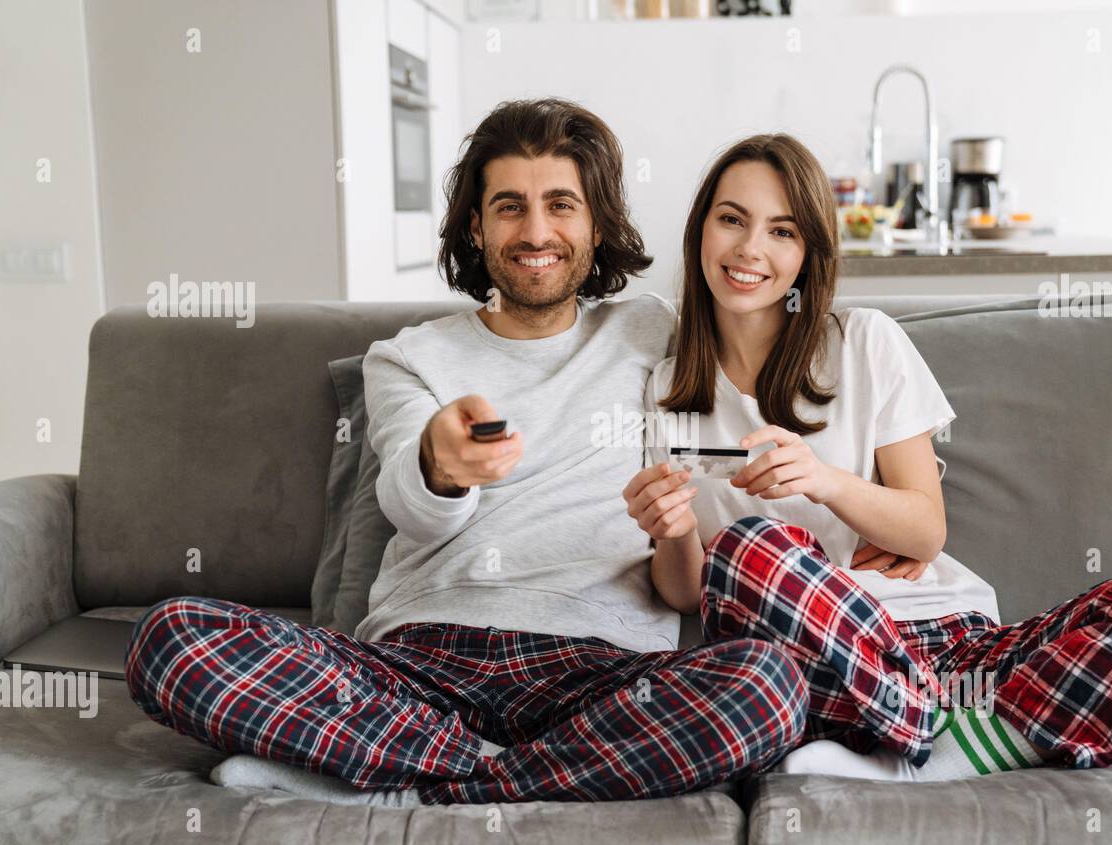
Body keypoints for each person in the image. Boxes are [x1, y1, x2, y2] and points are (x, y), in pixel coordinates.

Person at [124, 99, 808, 807]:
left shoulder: (655, 332)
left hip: (602, 671)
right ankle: (521, 775)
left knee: (770, 685)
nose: (536, 231)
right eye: (510, 206)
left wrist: (878, 508)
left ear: (596, 224)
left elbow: (784, 338)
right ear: (477, 228)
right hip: (415, 665)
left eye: (561, 205)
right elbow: (411, 506)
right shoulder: (408, 358)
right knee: (171, 639)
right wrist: (441, 468)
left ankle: (405, 779)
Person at [625, 132, 1112, 782]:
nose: (750, 248)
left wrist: (826, 481)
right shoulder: (667, 389)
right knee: (749, 552)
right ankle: (1003, 730)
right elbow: (684, 592)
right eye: (731, 219)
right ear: (701, 227)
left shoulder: (864, 341)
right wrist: (673, 531)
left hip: (949, 639)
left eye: (781, 231)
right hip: (822, 664)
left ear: (809, 252)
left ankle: (942, 741)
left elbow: (926, 529)